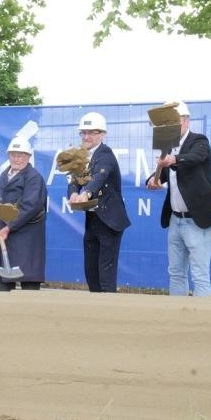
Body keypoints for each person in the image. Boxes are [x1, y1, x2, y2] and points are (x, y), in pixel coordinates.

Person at [145, 101, 211, 297]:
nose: (170, 127)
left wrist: (174, 159)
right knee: (176, 273)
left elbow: (197, 156)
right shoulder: (168, 146)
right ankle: (179, 315)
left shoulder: (199, 141)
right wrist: (152, 180)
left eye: (175, 121)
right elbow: (162, 175)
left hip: (198, 220)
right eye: (167, 124)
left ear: (186, 121)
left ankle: (202, 320)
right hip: (175, 220)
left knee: (200, 274)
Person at [68, 112, 130, 292]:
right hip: (93, 220)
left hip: (110, 222)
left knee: (105, 274)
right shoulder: (81, 156)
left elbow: (99, 176)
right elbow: (73, 180)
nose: (86, 137)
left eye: (92, 132)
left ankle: (109, 314)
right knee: (91, 272)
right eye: (83, 133)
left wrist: (86, 193)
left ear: (102, 134)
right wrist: (73, 194)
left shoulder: (105, 154)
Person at [0, 136, 46, 291]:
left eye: (20, 155)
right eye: (13, 154)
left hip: (27, 235)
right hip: (8, 233)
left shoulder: (34, 178)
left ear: (28, 157)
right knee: (5, 283)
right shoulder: (5, 175)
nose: (16, 159)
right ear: (8, 156)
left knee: (29, 281)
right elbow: (3, 201)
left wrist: (8, 228)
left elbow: (30, 207)